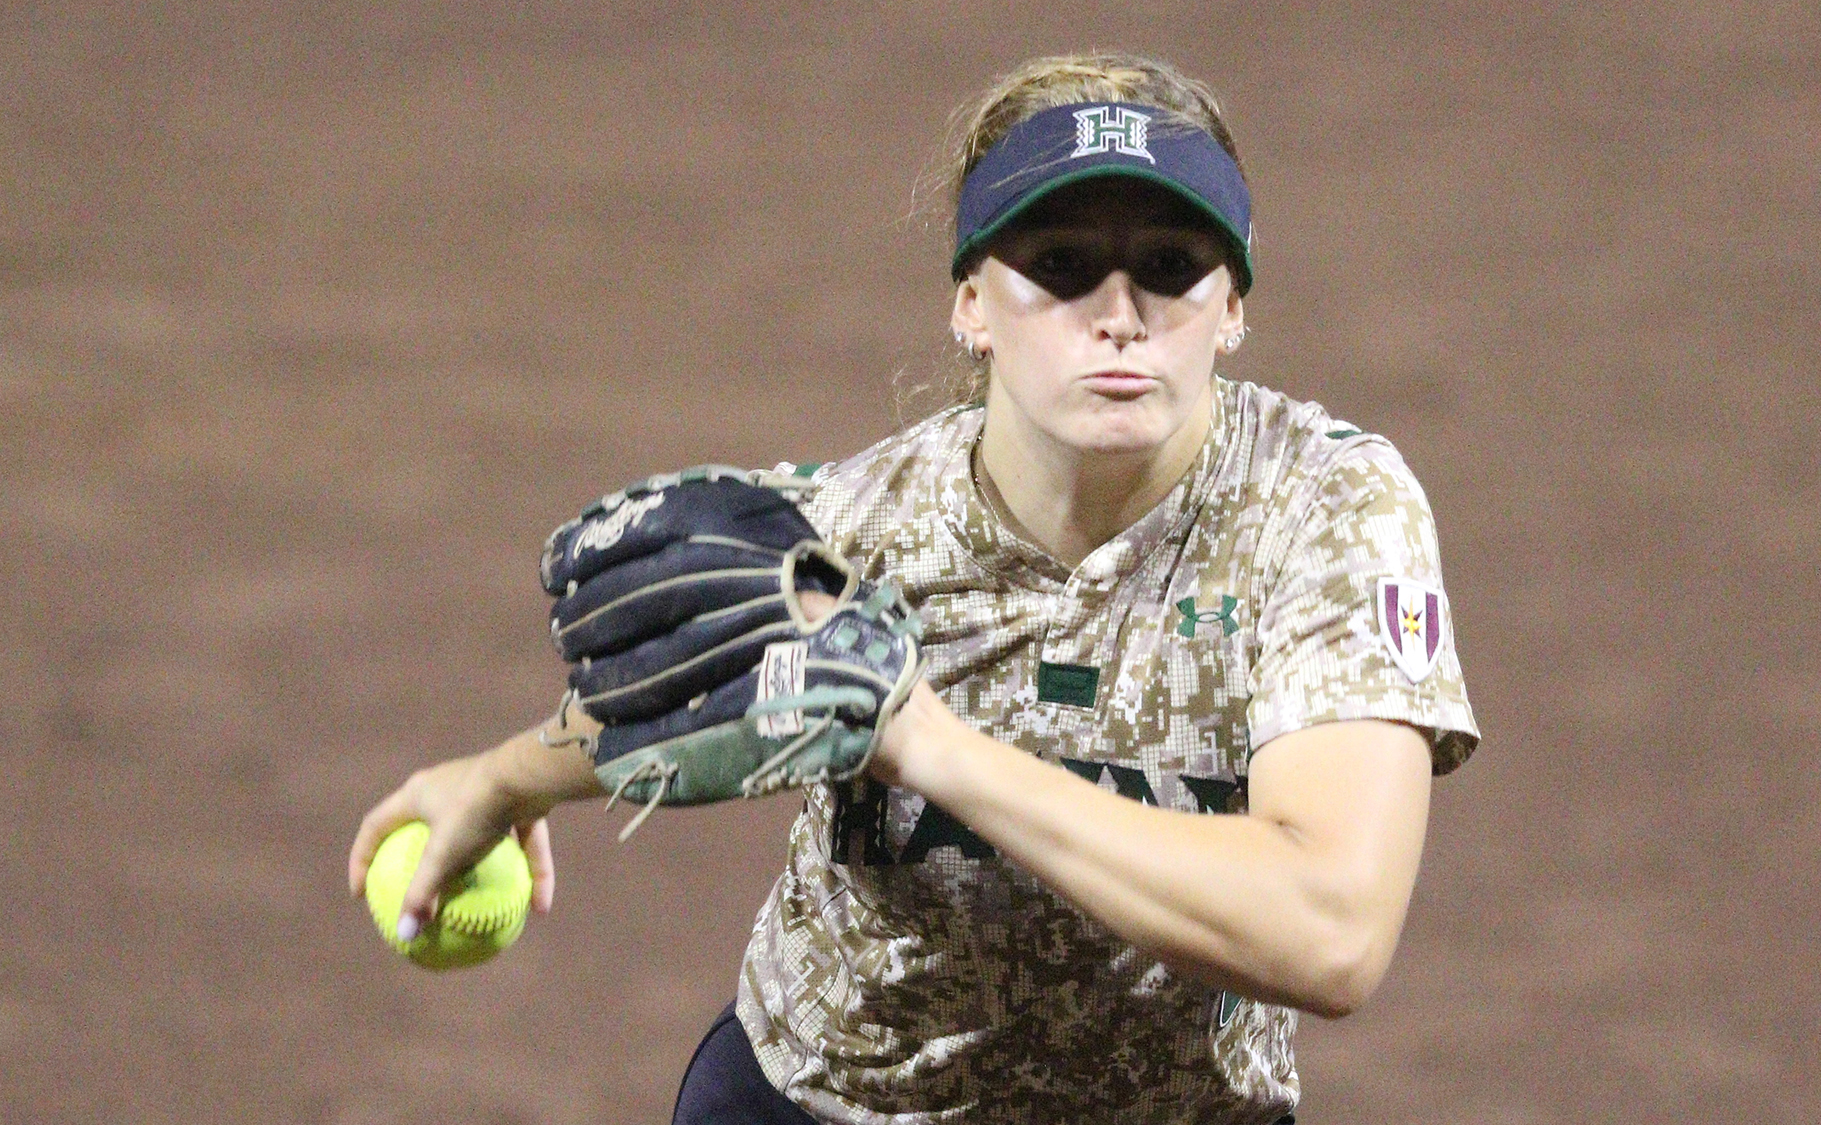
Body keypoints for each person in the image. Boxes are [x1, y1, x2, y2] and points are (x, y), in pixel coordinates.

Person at [349, 52, 1478, 1125]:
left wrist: (928, 745)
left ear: (1232, 304)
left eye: (1172, 266)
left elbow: (1329, 935)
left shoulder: (1319, 510)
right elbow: (688, 673)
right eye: (1060, 264)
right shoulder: (852, 533)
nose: (1119, 311)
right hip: (820, 1105)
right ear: (970, 307)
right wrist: (502, 780)